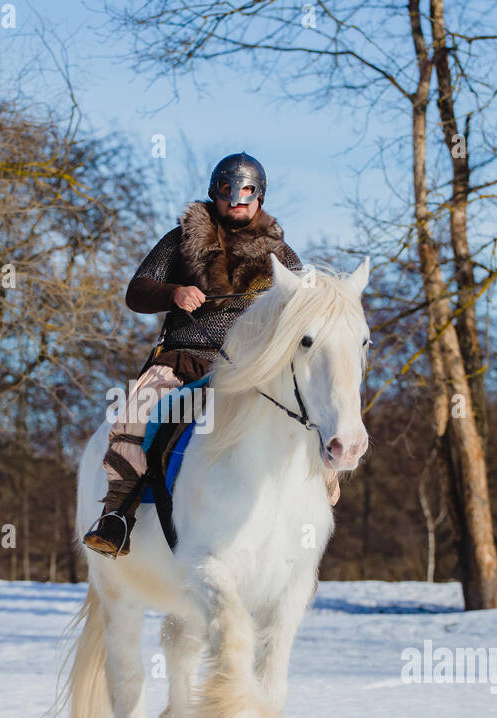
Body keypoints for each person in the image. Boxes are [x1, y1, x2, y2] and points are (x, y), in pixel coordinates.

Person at [81, 152, 339, 558]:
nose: (236, 199)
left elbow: (304, 311)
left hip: (250, 365)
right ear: (215, 193)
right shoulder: (181, 239)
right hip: (182, 358)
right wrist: (173, 294)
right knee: (136, 415)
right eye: (227, 191)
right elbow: (136, 291)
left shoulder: (282, 256)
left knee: (312, 407)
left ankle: (312, 502)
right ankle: (117, 516)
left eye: (246, 192)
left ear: (259, 196)